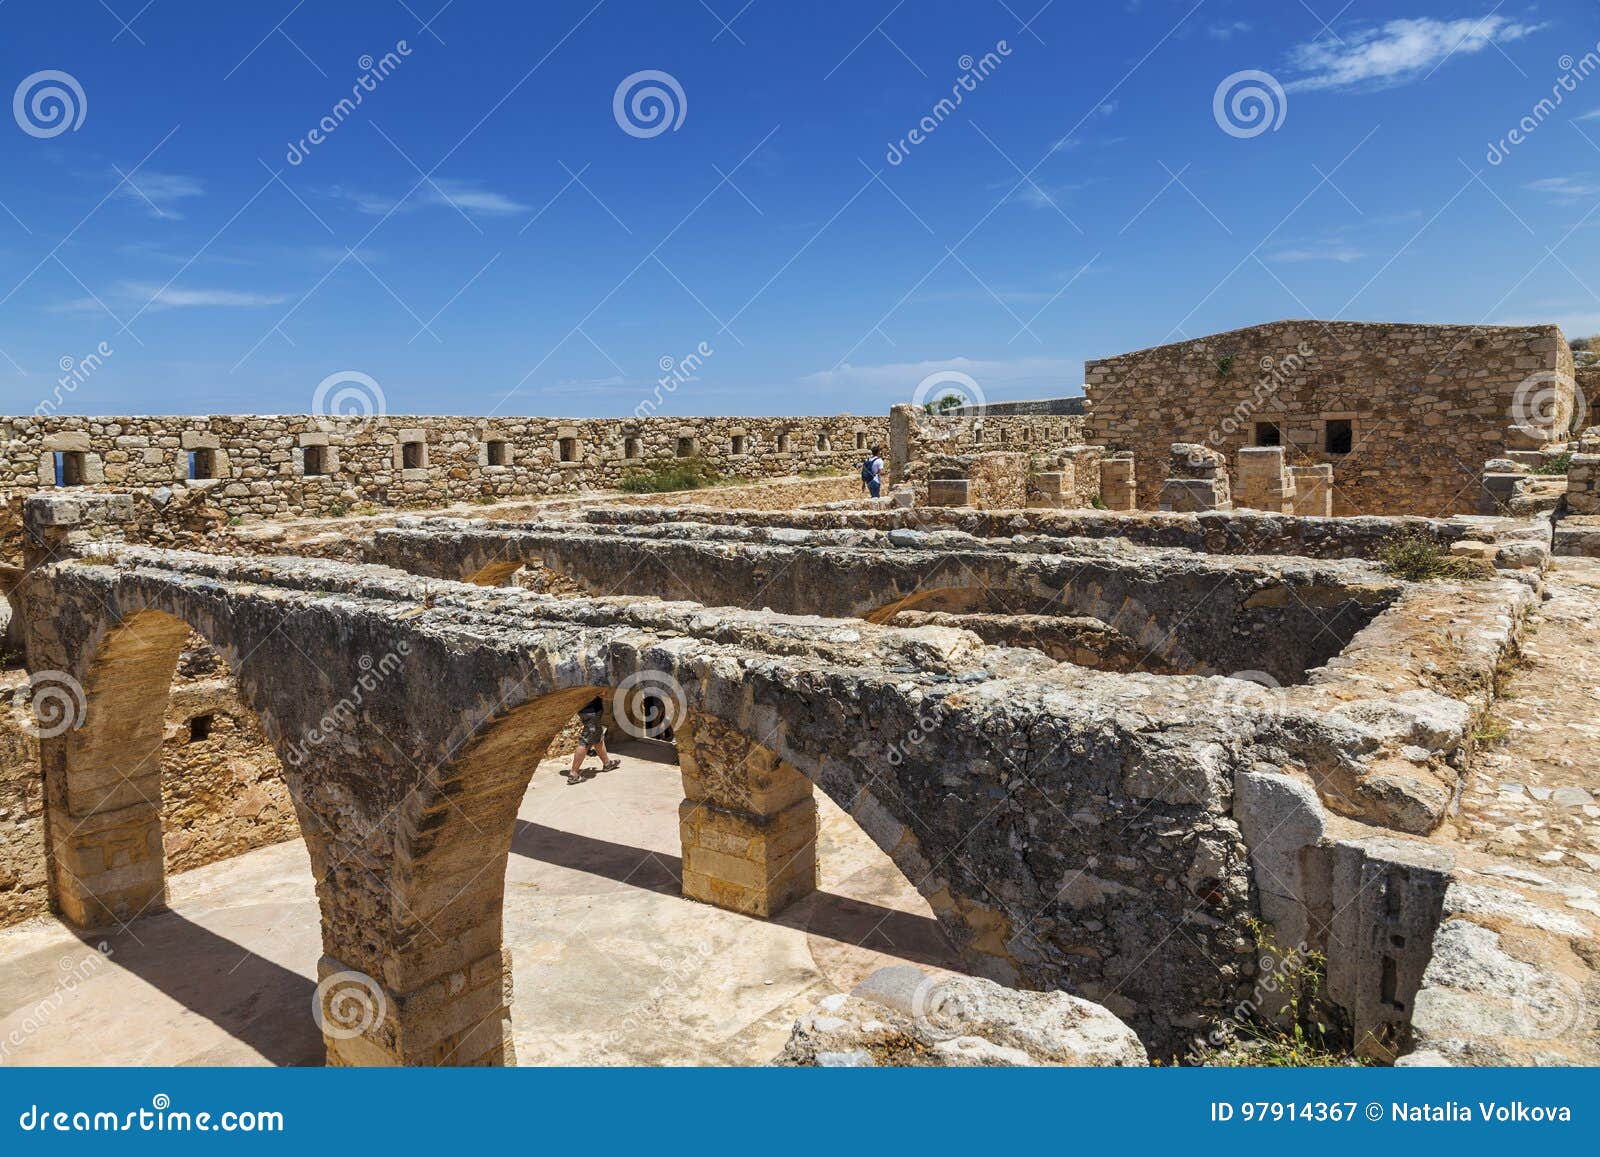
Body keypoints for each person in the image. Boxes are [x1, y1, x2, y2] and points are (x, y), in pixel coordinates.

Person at [569, 696, 620, 783]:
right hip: (591, 711)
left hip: (587, 710)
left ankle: (607, 764)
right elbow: (600, 693)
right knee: (585, 741)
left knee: (597, 736)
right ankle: (574, 774)